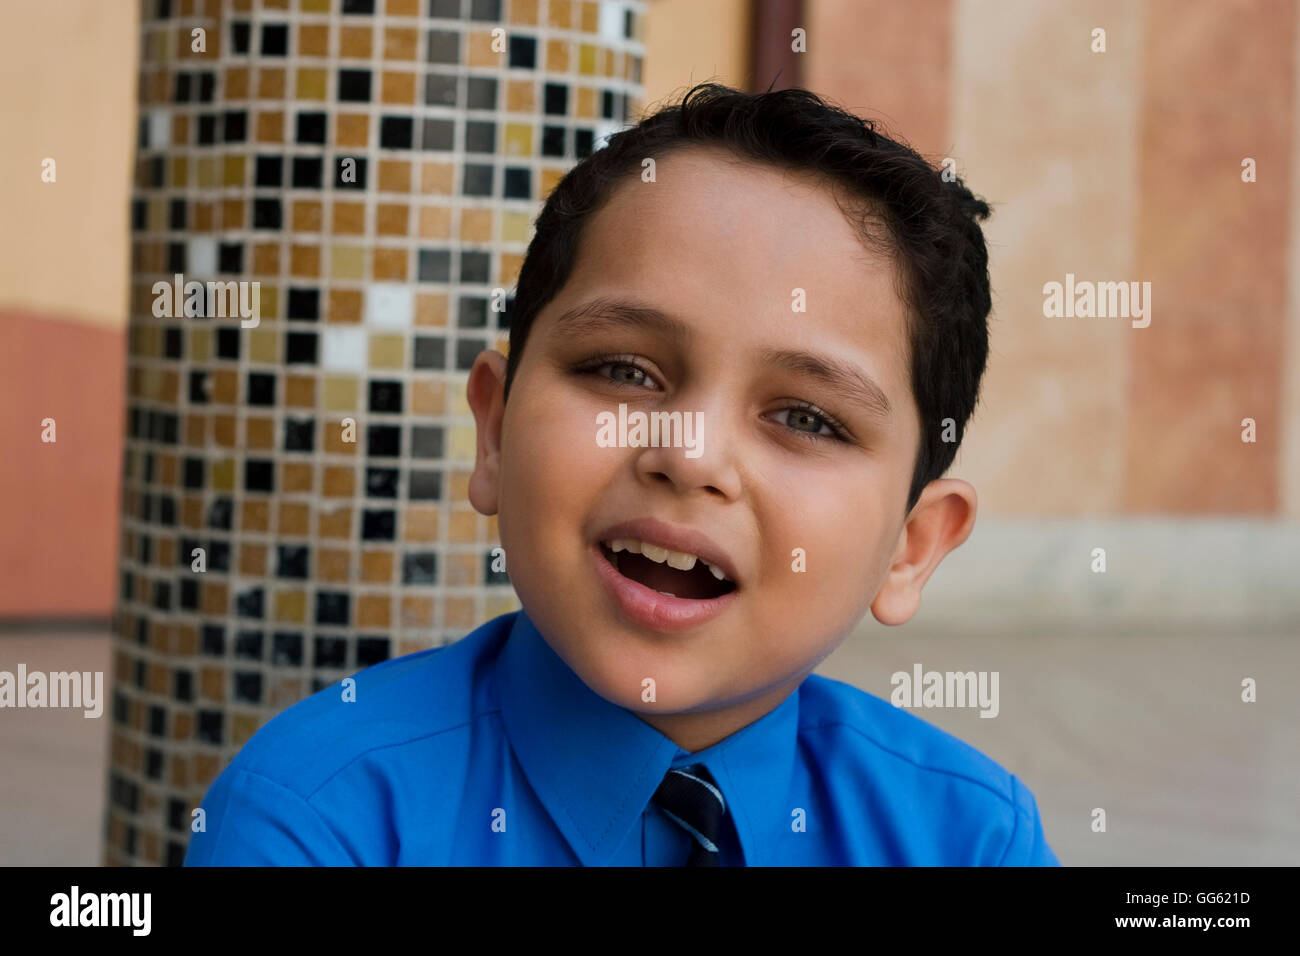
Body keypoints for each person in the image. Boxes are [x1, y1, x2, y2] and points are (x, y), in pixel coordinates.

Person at [185, 83, 1059, 866]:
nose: (688, 455)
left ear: (911, 546)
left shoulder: (970, 840)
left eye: (805, 418)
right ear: (493, 432)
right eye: (623, 371)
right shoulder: (322, 821)